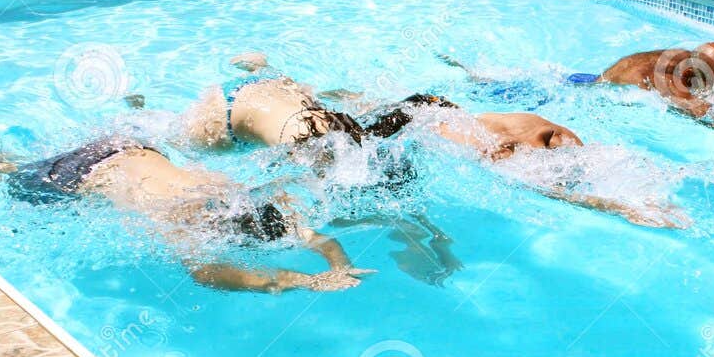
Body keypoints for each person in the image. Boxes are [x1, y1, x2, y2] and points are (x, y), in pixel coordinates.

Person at [152, 54, 686, 228]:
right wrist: (617, 206)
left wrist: (614, 203)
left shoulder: (509, 131)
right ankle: (256, 67)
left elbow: (411, 110)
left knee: (335, 115)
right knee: (168, 138)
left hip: (284, 103)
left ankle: (261, 65)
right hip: (231, 114)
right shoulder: (506, 140)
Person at [0, 117, 369, 294]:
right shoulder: (180, 220)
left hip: (128, 144)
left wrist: (340, 265)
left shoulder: (230, 191)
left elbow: (316, 237)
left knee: (22, 162)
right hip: (81, 175)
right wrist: (309, 281)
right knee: (7, 174)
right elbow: (209, 275)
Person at [441, 41, 714, 165]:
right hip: (580, 90)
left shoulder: (702, 63)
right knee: (504, 86)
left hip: (589, 77)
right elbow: (713, 120)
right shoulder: (668, 83)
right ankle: (467, 69)